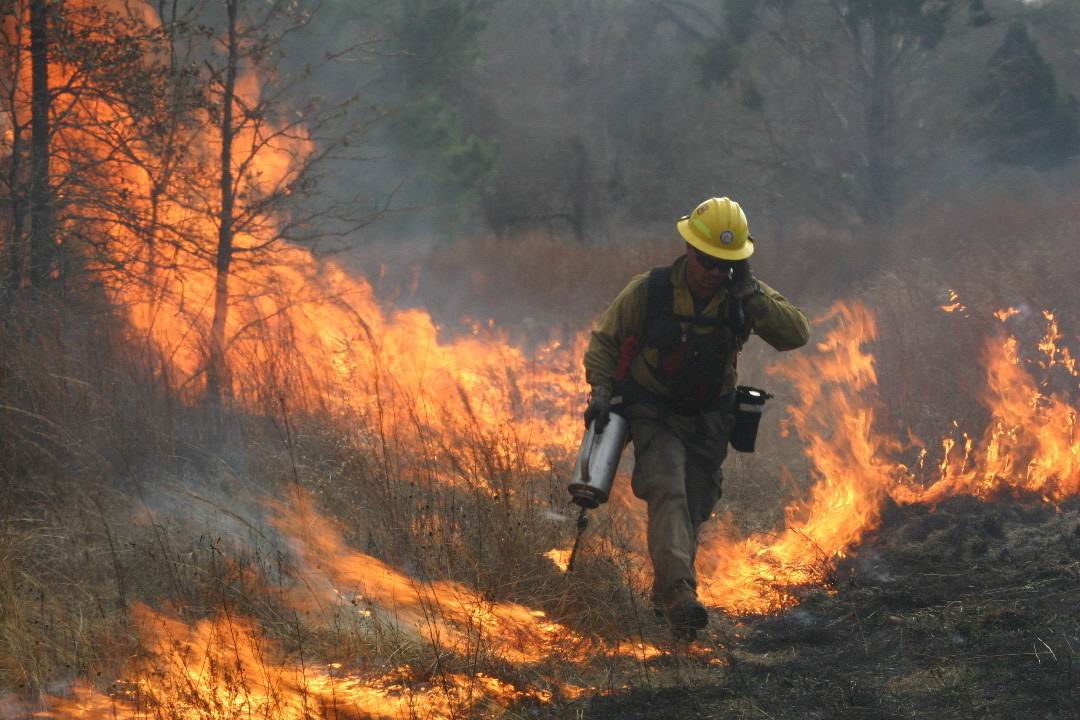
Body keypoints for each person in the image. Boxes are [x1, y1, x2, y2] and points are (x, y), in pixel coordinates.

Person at [582, 197, 810, 635]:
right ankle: (680, 595)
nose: (715, 272)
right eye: (708, 261)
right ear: (689, 249)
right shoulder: (649, 291)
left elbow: (796, 333)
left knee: (695, 503)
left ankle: (665, 595)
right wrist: (603, 390)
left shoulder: (743, 296)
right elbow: (605, 342)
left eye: (727, 264)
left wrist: (752, 295)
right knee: (667, 489)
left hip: (709, 418)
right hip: (654, 411)